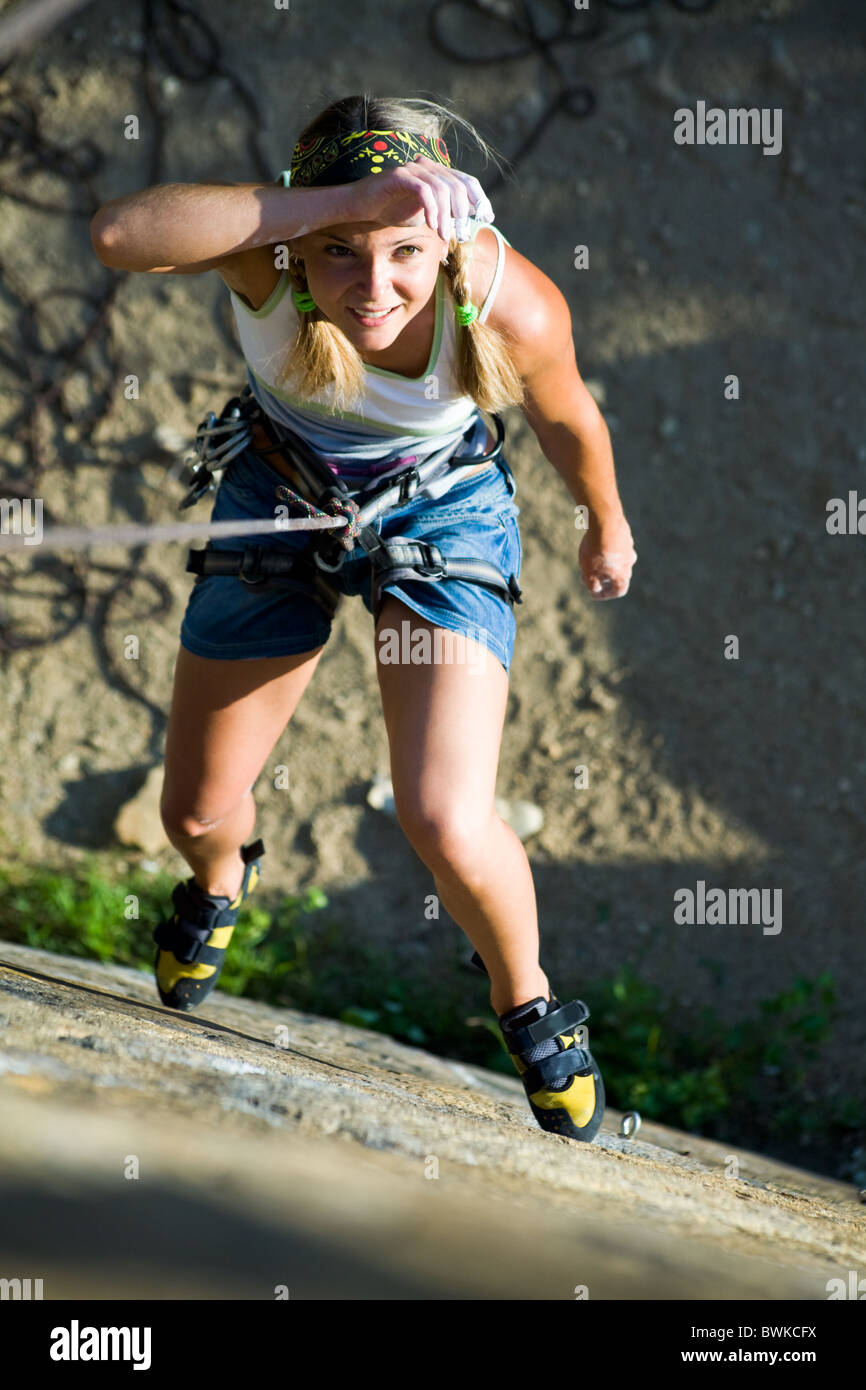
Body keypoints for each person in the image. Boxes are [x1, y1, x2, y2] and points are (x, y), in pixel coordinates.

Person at [90, 94, 636, 1143]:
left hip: (440, 508)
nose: (372, 286)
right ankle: (217, 881)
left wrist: (603, 521)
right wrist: (335, 206)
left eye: (401, 252)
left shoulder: (499, 294)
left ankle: (524, 1000)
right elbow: (120, 235)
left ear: (445, 244)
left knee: (441, 816)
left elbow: (566, 410)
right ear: (302, 238)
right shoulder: (270, 262)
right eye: (339, 250)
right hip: (279, 494)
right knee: (197, 813)